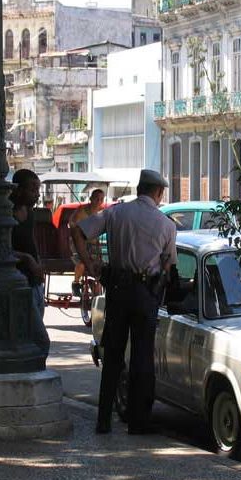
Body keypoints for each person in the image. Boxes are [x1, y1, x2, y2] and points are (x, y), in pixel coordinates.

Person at [71, 168, 177, 436]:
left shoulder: (116, 213)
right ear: (158, 192)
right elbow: (168, 266)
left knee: (114, 356)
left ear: (140, 189)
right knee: (143, 357)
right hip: (145, 294)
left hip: (117, 290)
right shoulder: (166, 225)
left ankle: (103, 420)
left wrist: (89, 262)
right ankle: (138, 423)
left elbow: (77, 232)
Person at [10, 169, 51, 363]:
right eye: (33, 189)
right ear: (18, 190)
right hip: (18, 283)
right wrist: (27, 259)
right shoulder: (6, 212)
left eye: (38, 189)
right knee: (41, 341)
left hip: (34, 281)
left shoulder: (30, 212)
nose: (37, 194)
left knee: (31, 337)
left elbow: (31, 240)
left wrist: (38, 261)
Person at [69, 188, 105, 297]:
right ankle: (76, 283)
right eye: (96, 199)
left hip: (94, 245)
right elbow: (72, 224)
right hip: (79, 243)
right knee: (81, 264)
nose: (98, 202)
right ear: (91, 199)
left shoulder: (102, 213)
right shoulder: (81, 211)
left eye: (101, 199)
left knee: (101, 266)